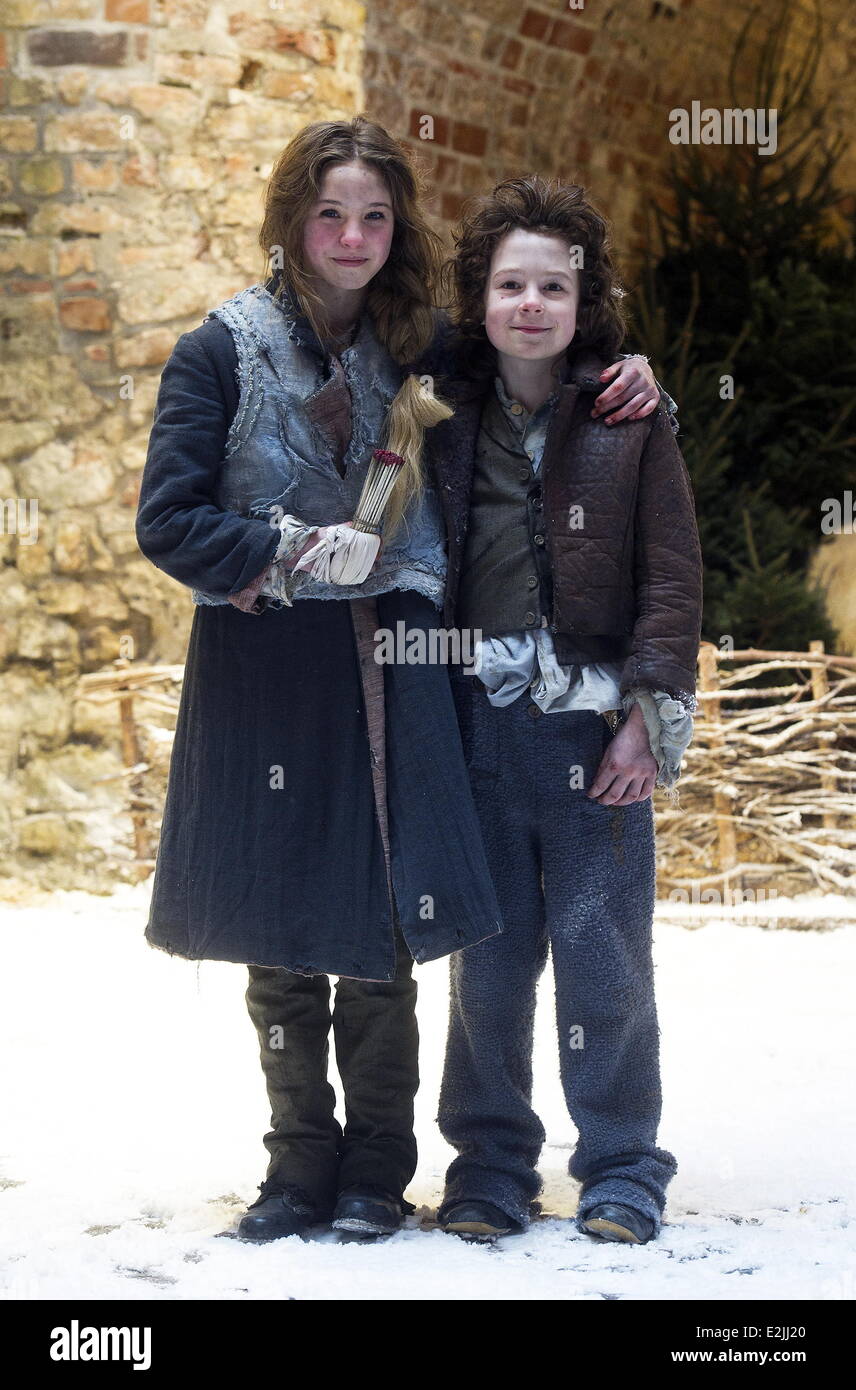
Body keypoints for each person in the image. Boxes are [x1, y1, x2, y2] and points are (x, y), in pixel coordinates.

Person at [136, 119, 666, 1242]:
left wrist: (621, 368)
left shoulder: (420, 348)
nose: (352, 235)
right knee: (278, 925)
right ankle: (297, 1164)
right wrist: (280, 553)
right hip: (265, 667)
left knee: (381, 923)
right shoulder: (216, 351)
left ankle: (379, 1163)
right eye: (330, 213)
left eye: (375, 215)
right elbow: (168, 520)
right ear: (291, 219)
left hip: (389, 669)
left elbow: (537, 355)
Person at [425, 176, 703, 1246]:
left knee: (604, 954)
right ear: (478, 298)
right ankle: (490, 1162)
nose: (531, 302)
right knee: (485, 961)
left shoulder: (629, 421)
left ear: (586, 305)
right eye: (509, 283)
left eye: (554, 284)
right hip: (479, 727)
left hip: (592, 734)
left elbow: (671, 580)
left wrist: (648, 715)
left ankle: (623, 1161)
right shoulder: (442, 413)